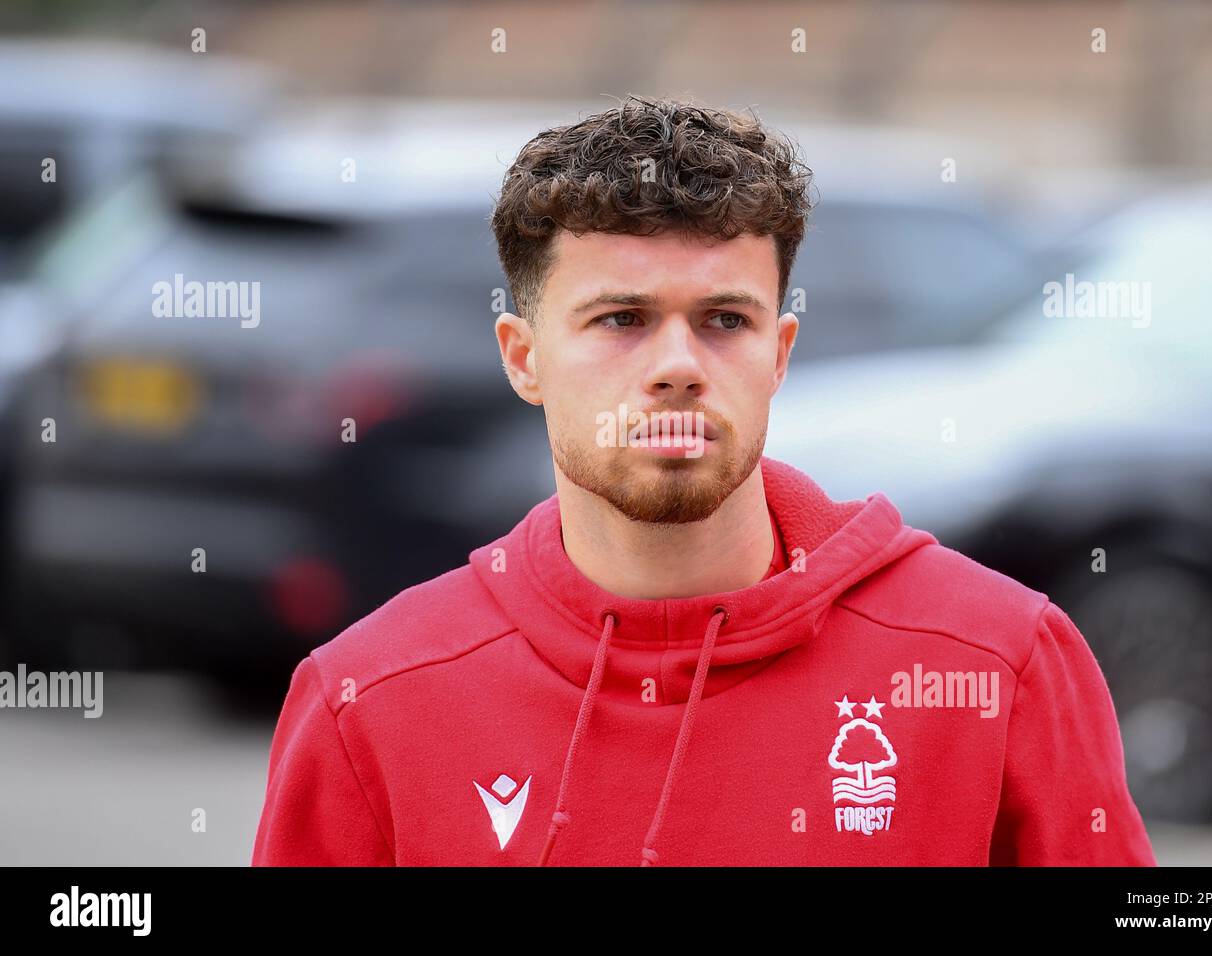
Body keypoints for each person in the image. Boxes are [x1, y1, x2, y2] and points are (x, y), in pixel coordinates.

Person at [251, 95, 1156, 866]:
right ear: (523, 360)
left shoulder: (996, 661)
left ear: (779, 354)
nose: (678, 365)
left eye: (725, 319)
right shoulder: (369, 697)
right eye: (621, 319)